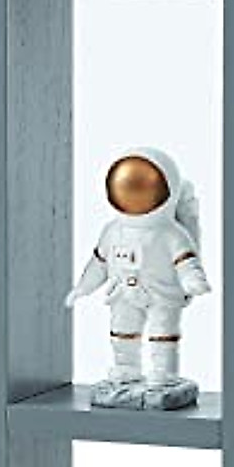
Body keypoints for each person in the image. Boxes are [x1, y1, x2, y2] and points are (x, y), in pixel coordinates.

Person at [65, 148, 211, 408]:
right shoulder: (113, 231)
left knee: (162, 333)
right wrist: (83, 288)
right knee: (122, 332)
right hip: (123, 292)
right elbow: (99, 263)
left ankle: (163, 373)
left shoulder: (170, 232)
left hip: (161, 293)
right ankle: (126, 368)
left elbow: (185, 260)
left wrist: (192, 281)